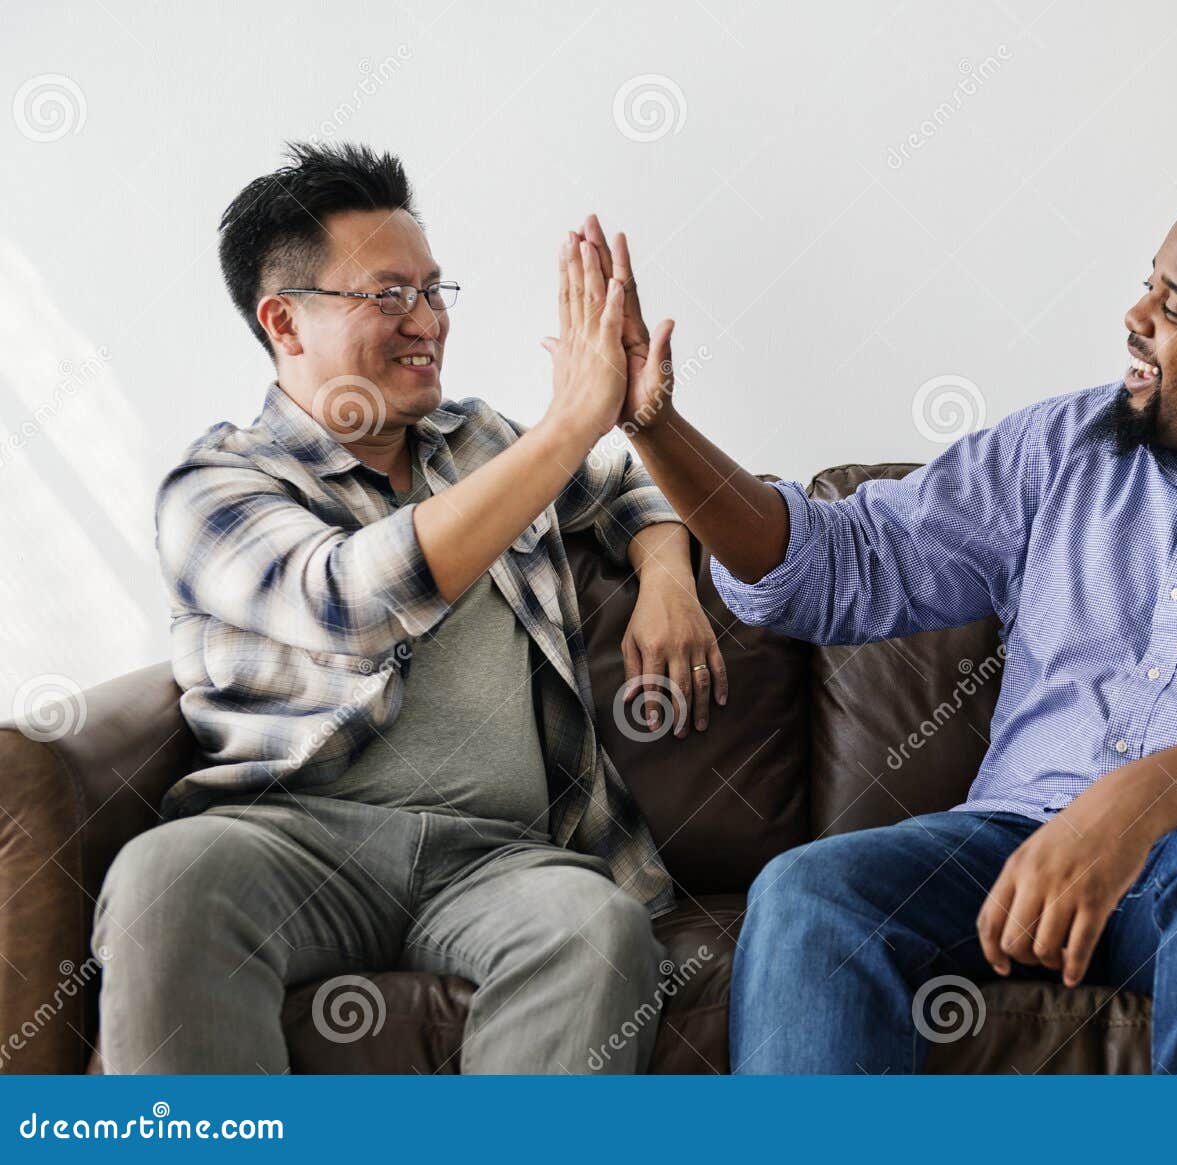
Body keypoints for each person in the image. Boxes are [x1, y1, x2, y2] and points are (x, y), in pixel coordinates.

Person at [580, 190, 1177, 1073]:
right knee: (811, 893)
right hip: (1026, 844)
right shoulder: (1065, 446)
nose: (1135, 314)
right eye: (1149, 283)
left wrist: (1134, 805)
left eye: (1174, 308)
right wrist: (657, 427)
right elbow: (837, 562)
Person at [93, 142, 725, 1074]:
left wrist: (667, 575)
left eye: (435, 291)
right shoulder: (216, 487)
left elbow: (632, 490)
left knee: (596, 927)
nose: (426, 321)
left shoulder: (482, 441)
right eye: (388, 295)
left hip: (501, 857)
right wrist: (564, 427)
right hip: (291, 838)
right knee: (163, 879)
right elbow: (352, 600)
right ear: (285, 321)